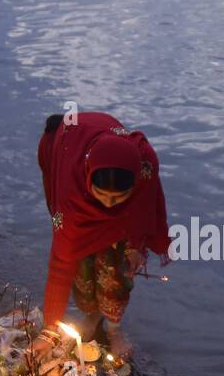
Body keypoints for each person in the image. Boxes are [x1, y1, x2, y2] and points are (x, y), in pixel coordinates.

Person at [36, 111, 170, 358]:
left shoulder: (144, 167)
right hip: (68, 158)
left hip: (107, 160)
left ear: (134, 185)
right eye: (103, 195)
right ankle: (92, 314)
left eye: (118, 197)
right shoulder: (72, 195)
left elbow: (144, 209)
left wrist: (136, 246)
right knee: (79, 261)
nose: (109, 205)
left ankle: (114, 330)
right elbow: (60, 266)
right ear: (89, 181)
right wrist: (49, 330)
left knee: (116, 267)